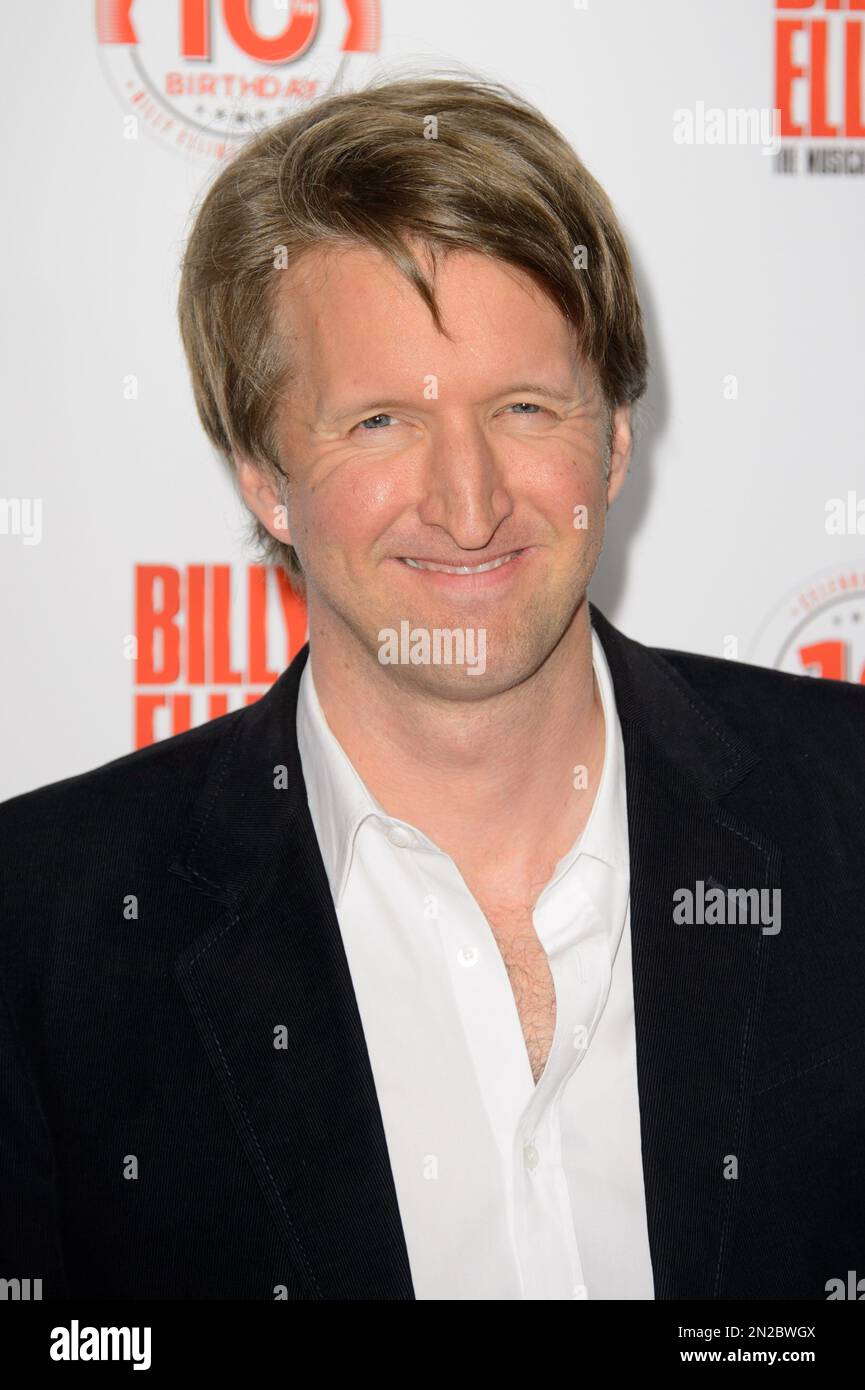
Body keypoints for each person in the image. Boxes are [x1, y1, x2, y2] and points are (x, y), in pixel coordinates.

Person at [2, 73, 864, 1302]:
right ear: (262, 473)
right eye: (378, 424)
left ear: (615, 434)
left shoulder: (846, 812)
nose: (468, 505)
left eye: (522, 406)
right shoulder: (44, 935)